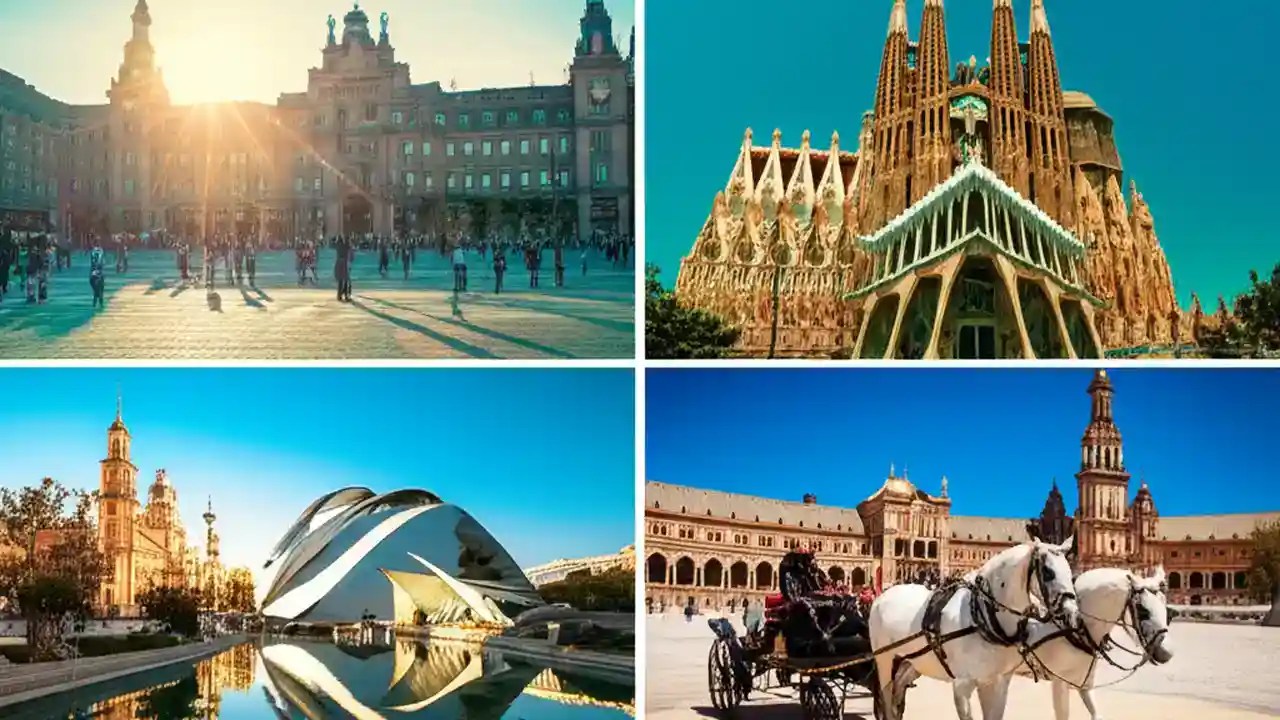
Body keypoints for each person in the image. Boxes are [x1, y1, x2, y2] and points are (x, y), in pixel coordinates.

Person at [334, 235, 352, 301]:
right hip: (344, 263)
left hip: (338, 263)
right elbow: (349, 247)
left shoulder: (337, 246)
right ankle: (346, 295)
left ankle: (339, 296)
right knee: (346, 280)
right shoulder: (345, 246)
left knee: (340, 281)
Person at [90, 242, 106, 308]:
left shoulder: (92, 251)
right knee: (101, 289)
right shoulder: (101, 251)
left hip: (92, 273)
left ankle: (94, 304)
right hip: (99, 273)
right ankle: (101, 303)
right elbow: (102, 261)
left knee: (95, 291)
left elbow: (93, 260)